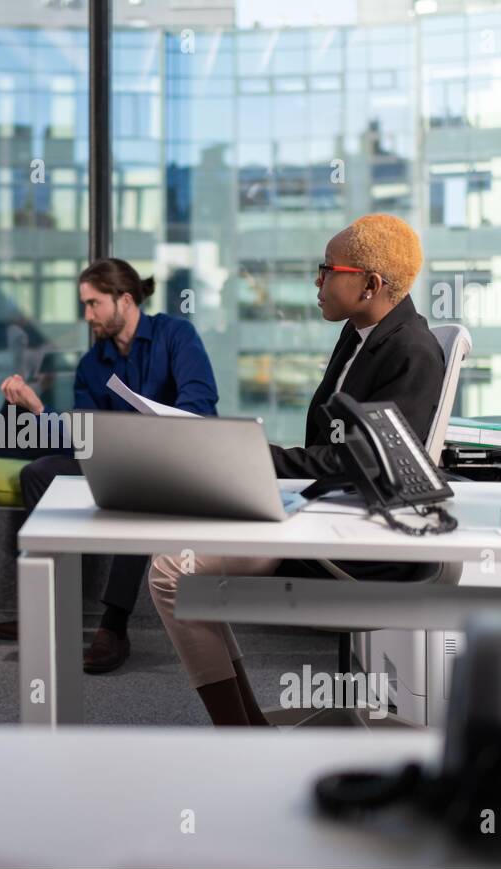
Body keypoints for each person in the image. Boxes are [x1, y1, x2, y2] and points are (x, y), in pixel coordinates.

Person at [147, 213, 445, 726]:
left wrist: (258, 456)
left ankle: (240, 734)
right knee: (183, 538)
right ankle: (247, 732)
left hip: (355, 543)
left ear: (371, 284)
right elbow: (335, 446)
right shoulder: (363, 335)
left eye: (328, 268)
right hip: (322, 510)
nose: (317, 279)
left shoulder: (412, 351)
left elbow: (368, 462)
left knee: (173, 568)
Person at [0, 258, 219, 673]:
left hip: (175, 465)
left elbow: (200, 407)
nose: (87, 315)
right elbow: (83, 434)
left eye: (94, 304)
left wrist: (148, 436)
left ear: (125, 299)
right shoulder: (92, 364)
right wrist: (38, 410)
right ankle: (47, 608)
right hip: (119, 462)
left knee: (138, 484)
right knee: (38, 472)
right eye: (84, 305)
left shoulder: (176, 336)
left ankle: (114, 626)